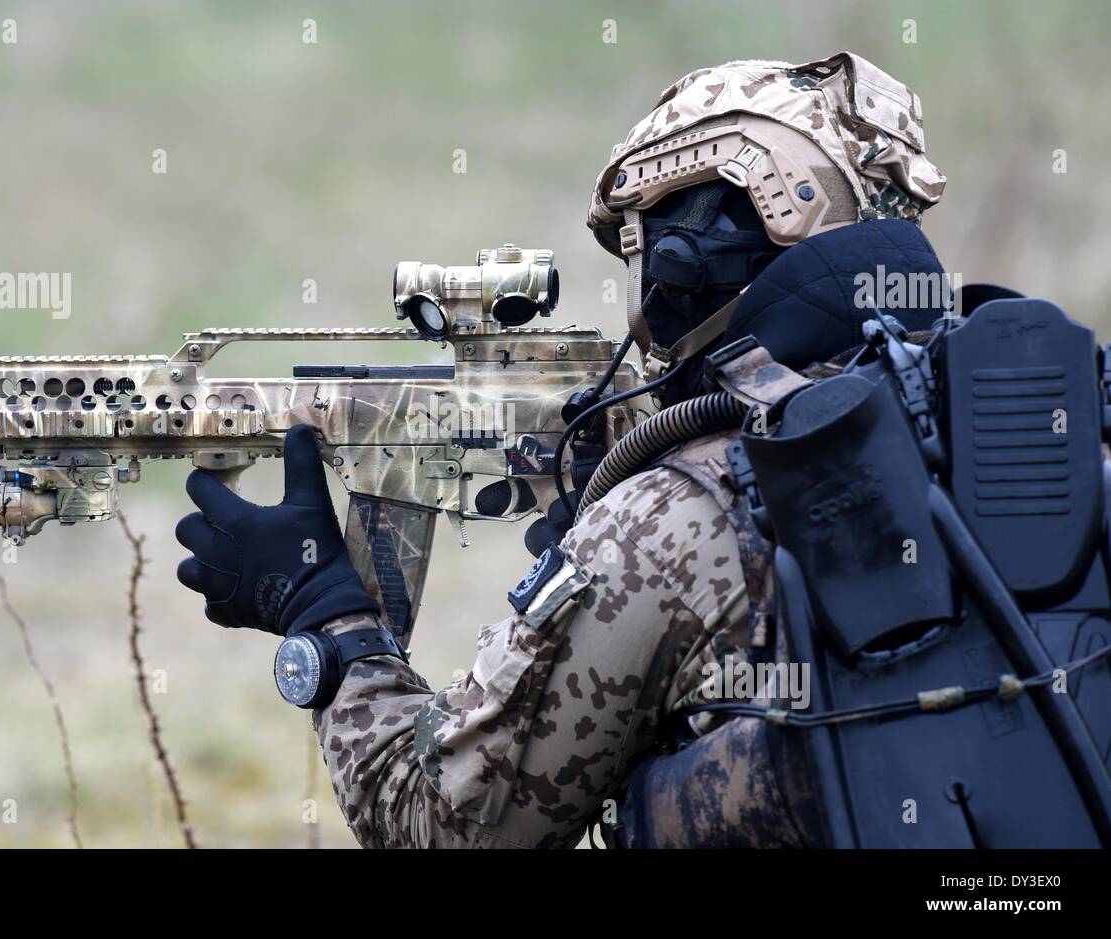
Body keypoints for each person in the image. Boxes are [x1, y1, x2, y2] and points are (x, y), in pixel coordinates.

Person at [175, 52, 949, 847]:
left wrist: (322, 618)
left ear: (686, 266)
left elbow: (442, 826)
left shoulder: (673, 522)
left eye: (647, 247)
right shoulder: (1005, 424)